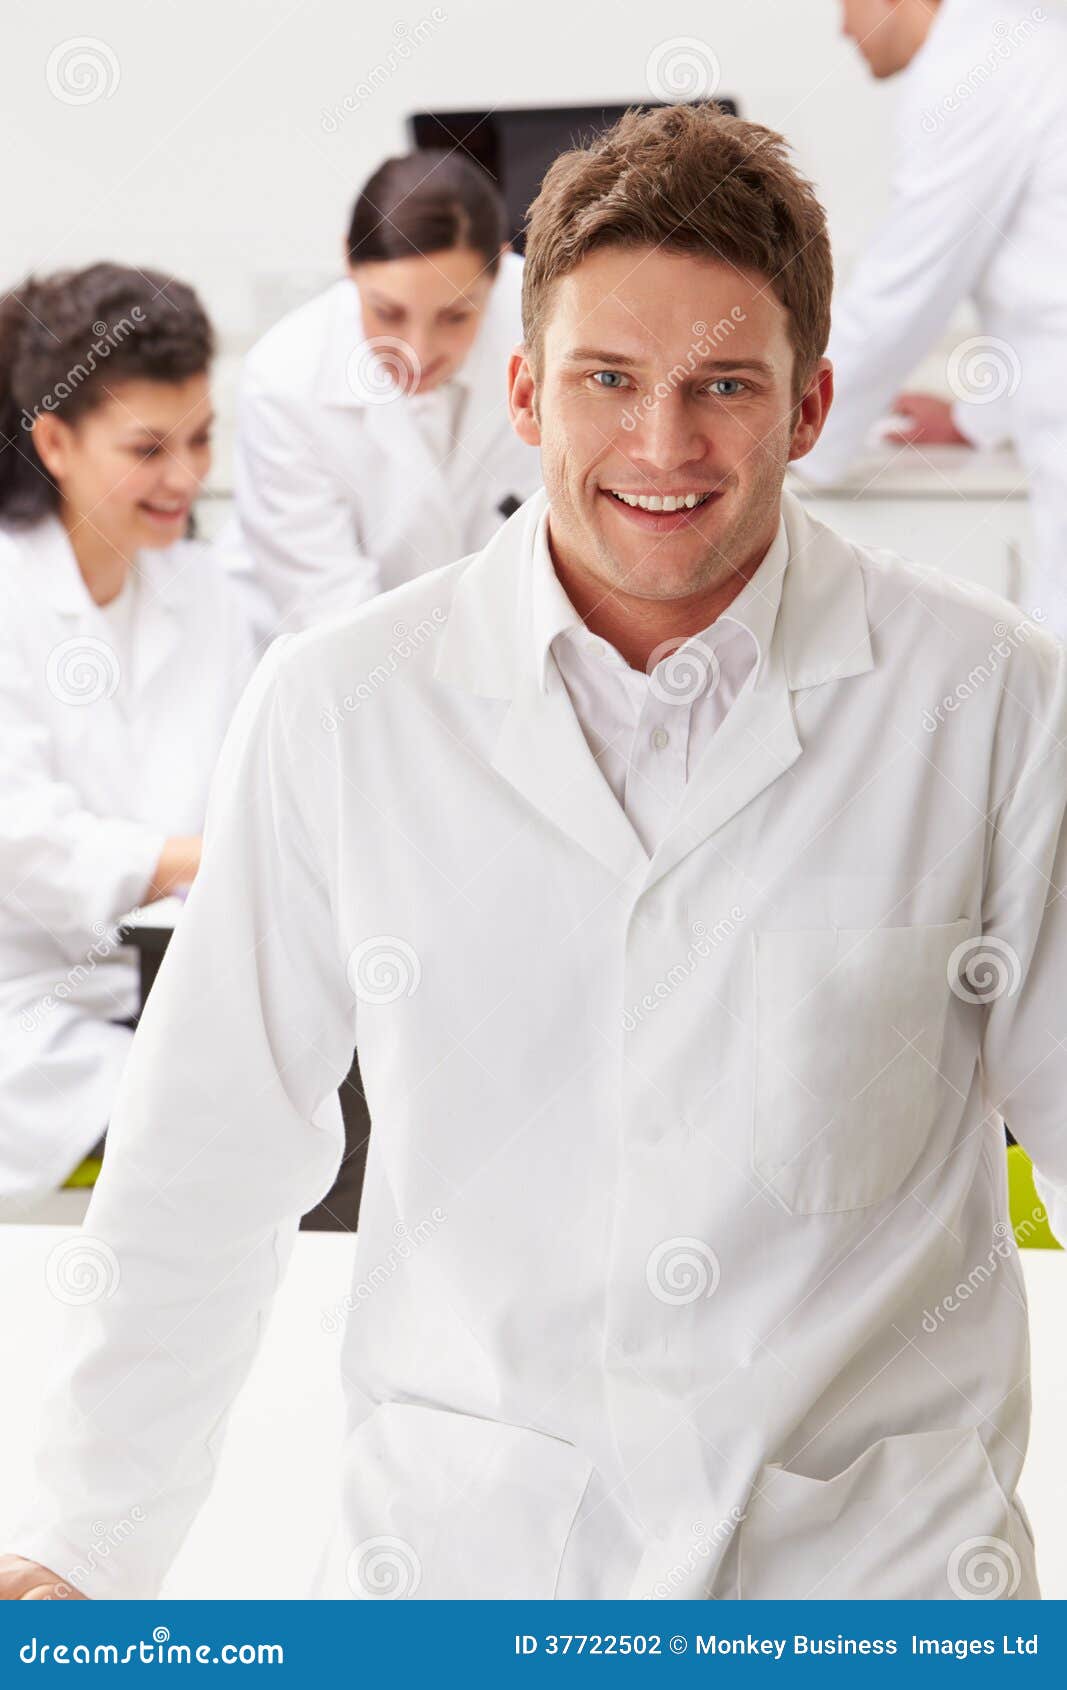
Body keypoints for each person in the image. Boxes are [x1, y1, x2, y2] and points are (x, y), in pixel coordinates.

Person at [3, 100, 1066, 1603]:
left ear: (808, 404)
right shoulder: (340, 704)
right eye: (606, 378)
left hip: (868, 1582)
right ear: (523, 388)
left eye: (722, 385)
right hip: (466, 1572)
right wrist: (84, 1544)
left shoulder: (987, 697)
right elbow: (202, 1160)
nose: (660, 443)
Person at [0, 264, 255, 1206]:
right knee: (211, 1135)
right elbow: (26, 842)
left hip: (173, 992)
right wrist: (203, 858)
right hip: (29, 1015)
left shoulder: (207, 595)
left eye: (201, 438)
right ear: (56, 441)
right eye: (149, 448)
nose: (187, 477)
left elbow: (249, 790)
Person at [798, 0, 1067, 633]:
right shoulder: (1027, 45)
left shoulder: (978, 64)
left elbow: (903, 295)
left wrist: (788, 434)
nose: (842, 27)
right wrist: (979, 419)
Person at [226, 149, 541, 635]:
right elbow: (336, 616)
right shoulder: (284, 382)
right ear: (349, 262)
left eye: (455, 316)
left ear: (499, 269)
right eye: (388, 313)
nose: (415, 352)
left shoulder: (552, 327)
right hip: (329, 655)